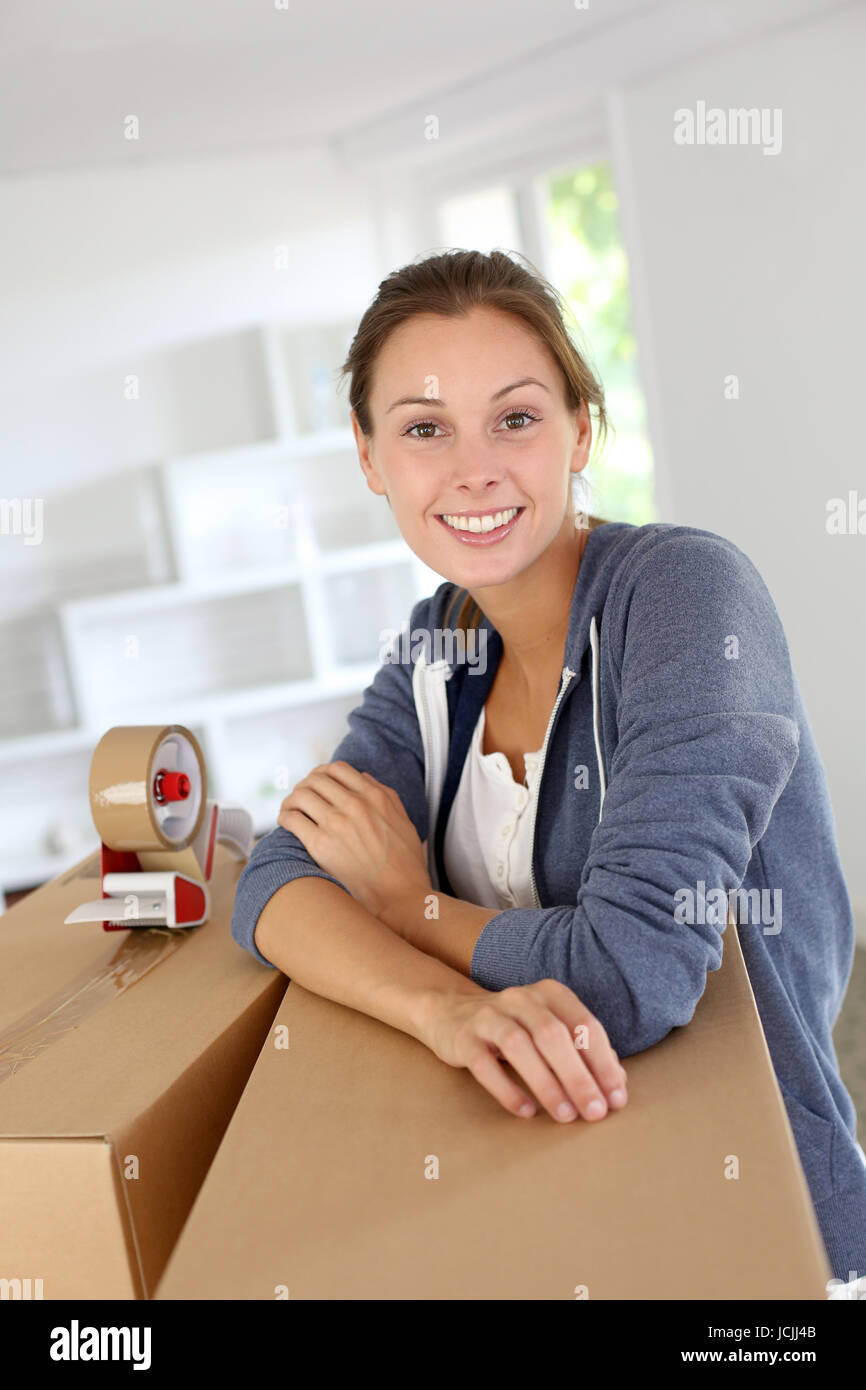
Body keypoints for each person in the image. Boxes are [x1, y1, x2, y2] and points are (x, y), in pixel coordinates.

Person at [230, 248, 866, 1295]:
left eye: (514, 418)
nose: (472, 468)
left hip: (756, 1230)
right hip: (544, 1184)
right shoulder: (440, 644)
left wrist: (408, 906)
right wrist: (449, 1012)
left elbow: (627, 972)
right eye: (424, 427)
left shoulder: (684, 599)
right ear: (368, 454)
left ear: (580, 429)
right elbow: (275, 886)